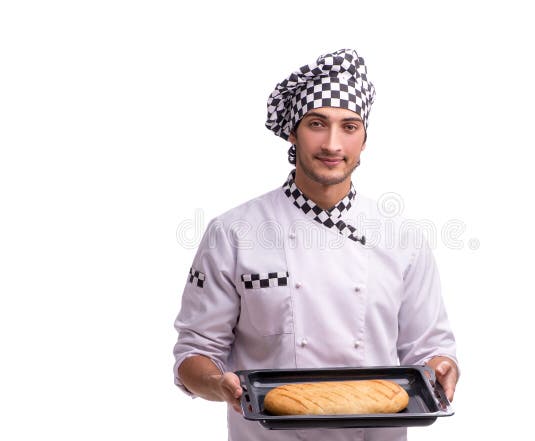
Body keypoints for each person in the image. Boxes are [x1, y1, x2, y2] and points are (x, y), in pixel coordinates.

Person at [173, 48, 458, 441]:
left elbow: (429, 350)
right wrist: (217, 383)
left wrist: (442, 366)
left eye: (349, 126)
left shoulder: (403, 238)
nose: (332, 144)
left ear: (365, 137)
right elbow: (194, 354)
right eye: (317, 124)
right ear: (293, 131)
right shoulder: (233, 233)